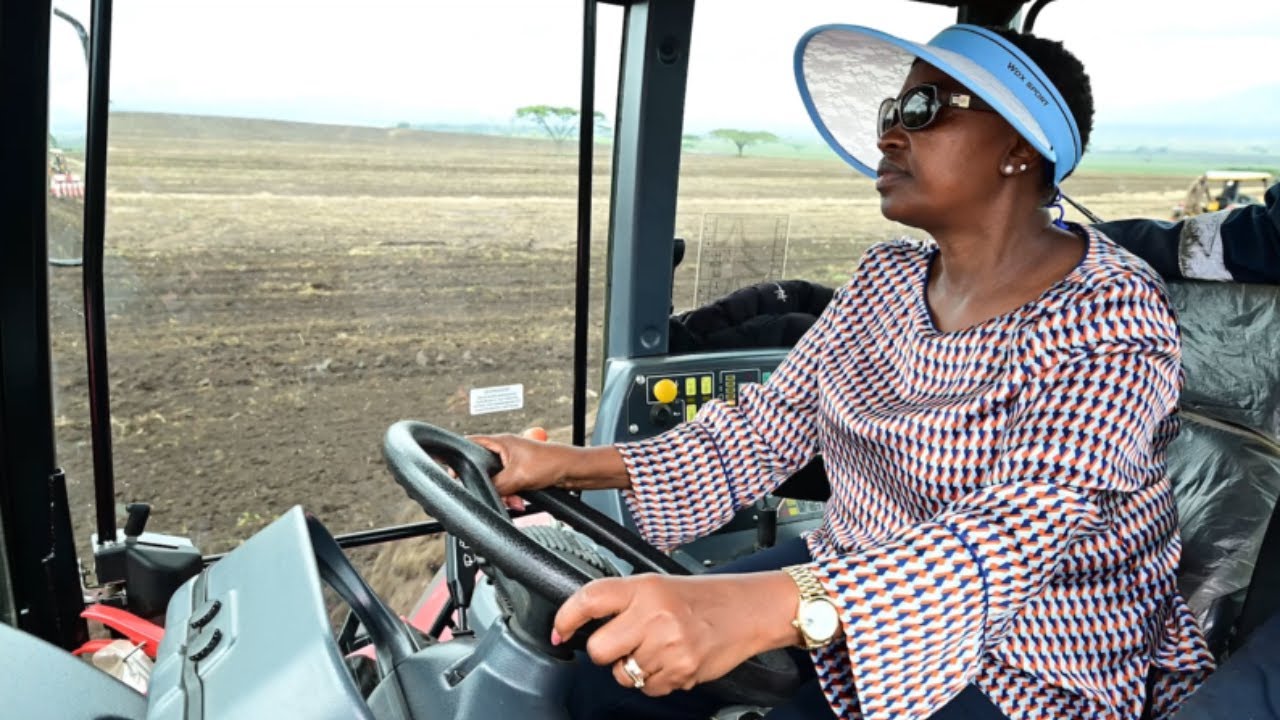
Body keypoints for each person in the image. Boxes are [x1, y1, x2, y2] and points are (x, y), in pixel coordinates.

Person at [474, 23, 1215, 720]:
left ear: (1019, 147)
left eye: (923, 108)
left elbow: (1012, 532)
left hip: (1031, 646)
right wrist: (565, 466)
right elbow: (761, 433)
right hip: (853, 563)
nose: (888, 132)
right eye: (893, 106)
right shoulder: (886, 280)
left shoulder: (1112, 315)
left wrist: (761, 609)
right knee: (609, 684)